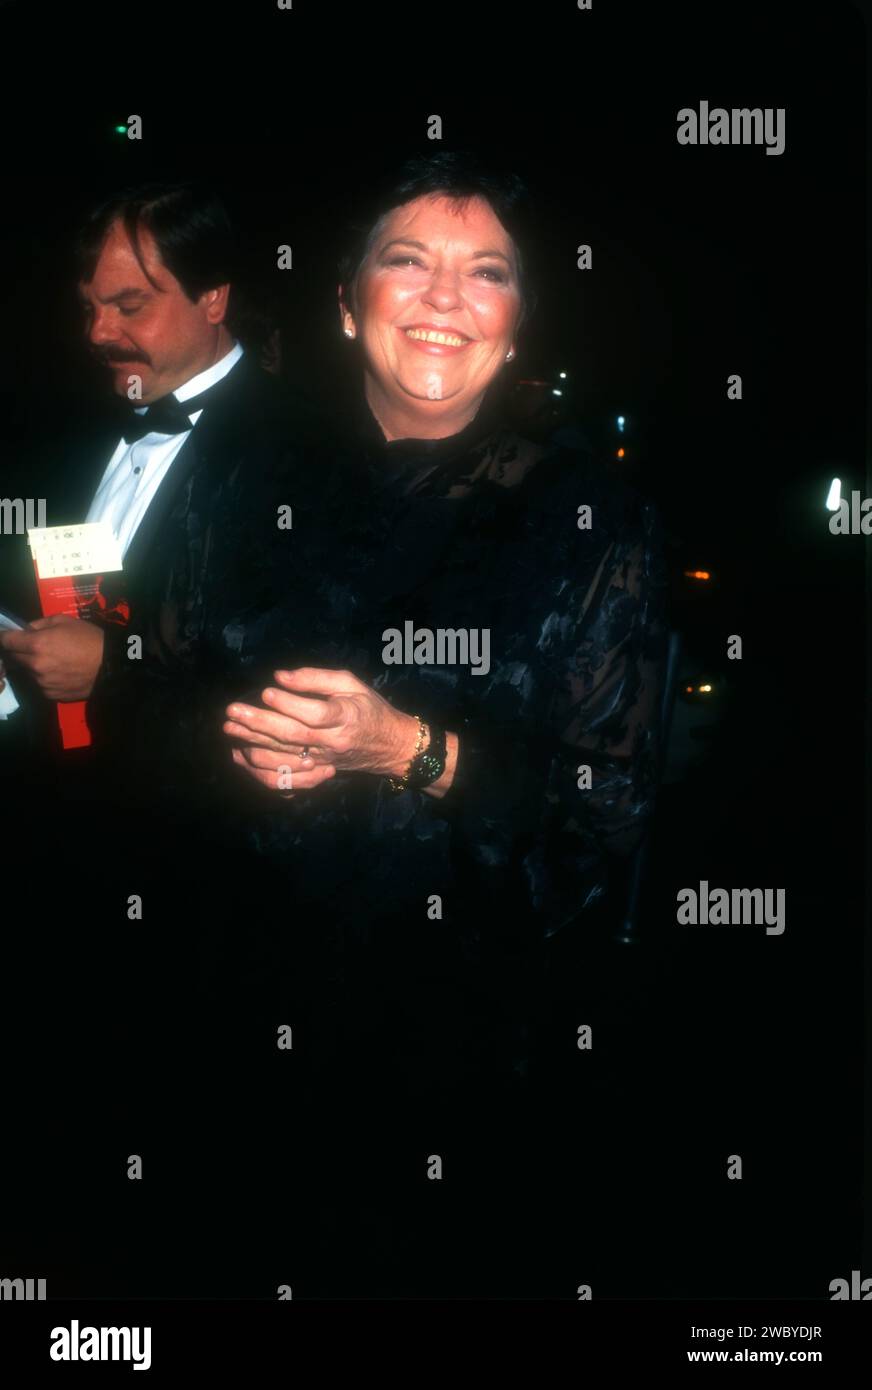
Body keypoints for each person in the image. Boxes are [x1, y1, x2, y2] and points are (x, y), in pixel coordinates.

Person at [218, 151, 670, 1294]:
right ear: (343, 299)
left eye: (486, 273)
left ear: (515, 327)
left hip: (473, 1047)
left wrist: (407, 752)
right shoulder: (248, 482)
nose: (439, 298)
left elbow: (606, 816)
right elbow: (167, 690)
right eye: (404, 260)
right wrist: (230, 746)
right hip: (241, 1009)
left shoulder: (589, 519)